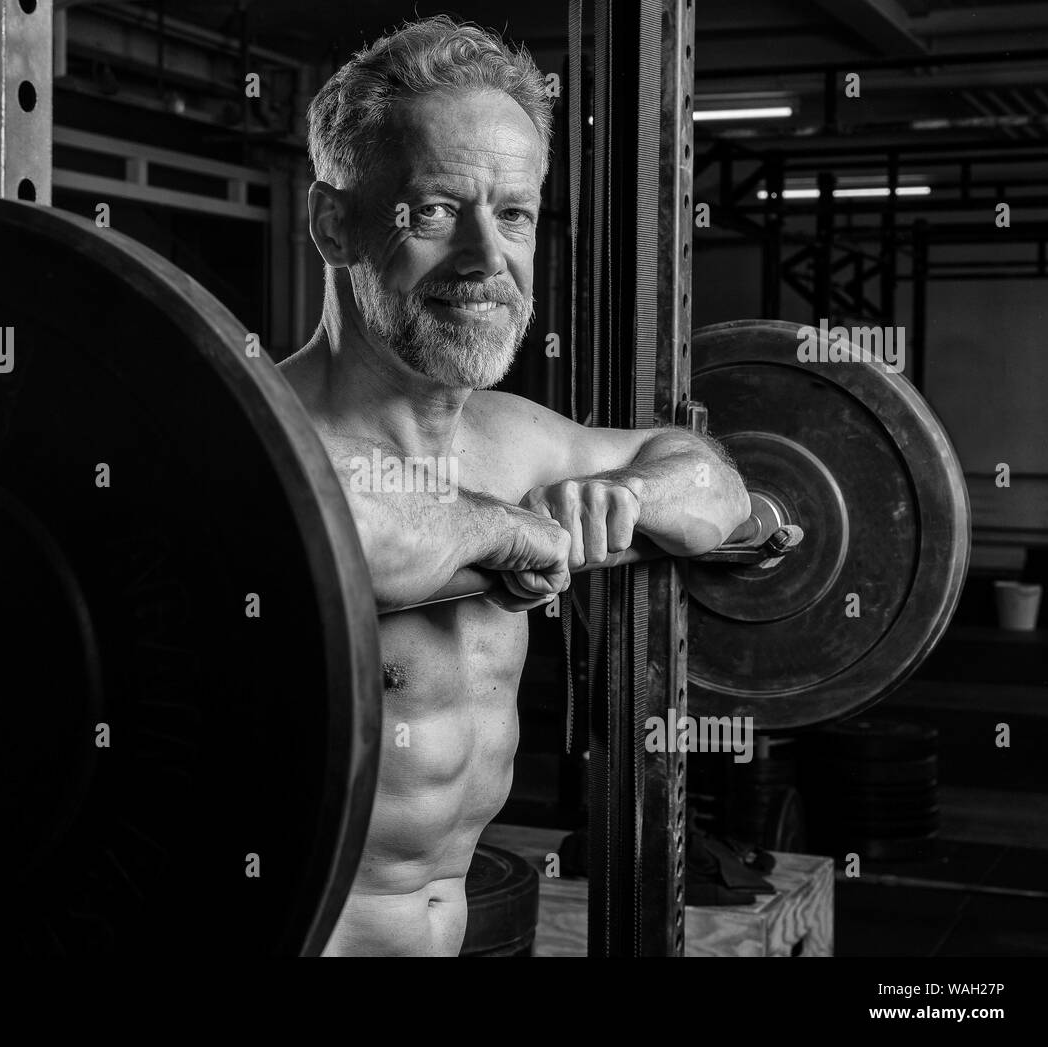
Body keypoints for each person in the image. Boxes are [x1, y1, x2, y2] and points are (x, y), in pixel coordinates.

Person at [279, 15, 749, 956]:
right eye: (439, 209)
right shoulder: (256, 424)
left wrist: (628, 501)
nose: (489, 259)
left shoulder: (514, 441)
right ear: (335, 223)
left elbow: (717, 486)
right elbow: (319, 525)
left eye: (518, 215)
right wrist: (507, 531)